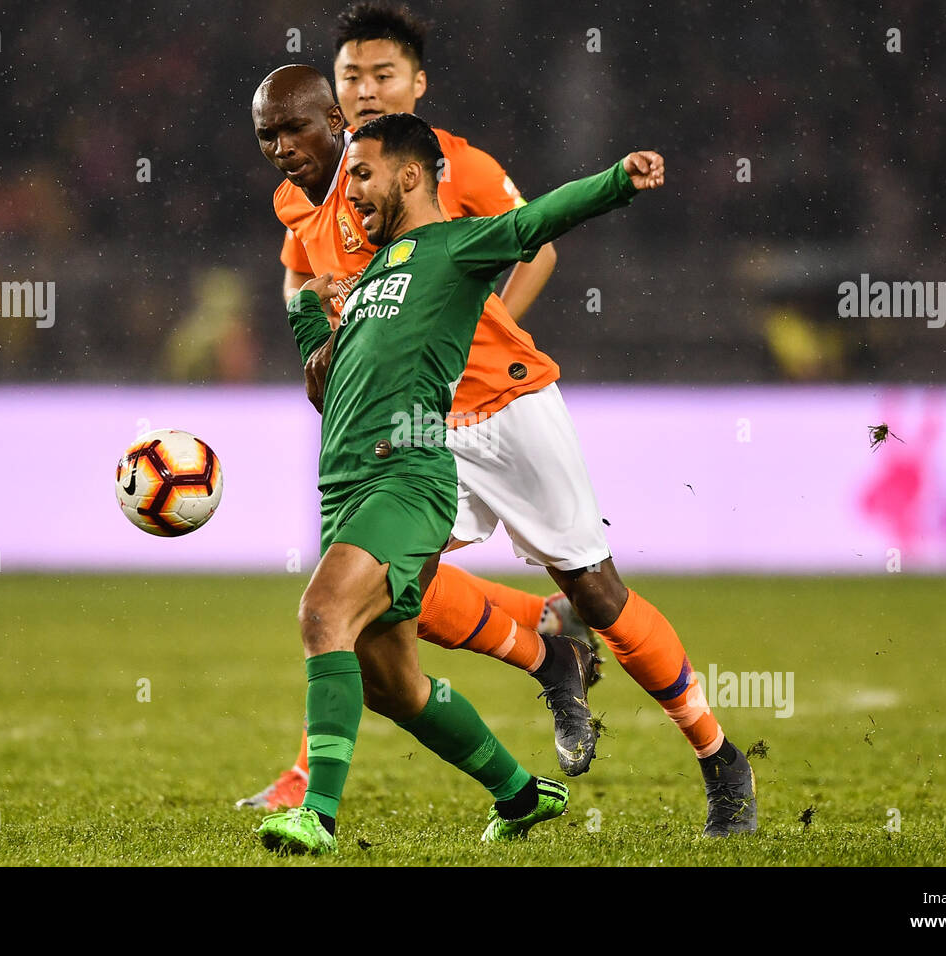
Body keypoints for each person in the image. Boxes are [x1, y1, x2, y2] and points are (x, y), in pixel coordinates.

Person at [258, 110, 663, 855]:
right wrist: (313, 321)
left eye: (364, 175)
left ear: (411, 175)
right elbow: (326, 385)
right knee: (393, 688)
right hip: (344, 489)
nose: (352, 191)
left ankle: (314, 815)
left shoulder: (453, 246)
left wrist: (616, 183)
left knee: (321, 616)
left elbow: (536, 220)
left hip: (407, 479)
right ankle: (520, 794)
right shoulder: (372, 274)